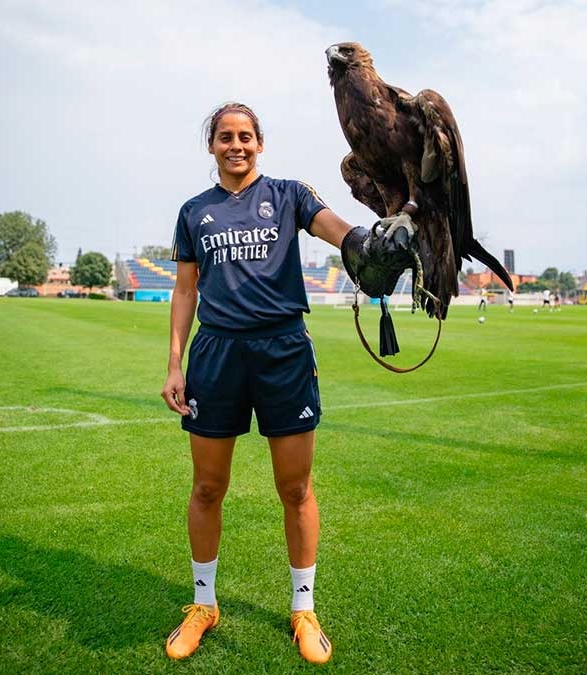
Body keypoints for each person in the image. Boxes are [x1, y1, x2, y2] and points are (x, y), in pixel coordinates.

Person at [159, 102, 407, 664]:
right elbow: (184, 291)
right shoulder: (193, 212)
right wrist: (175, 362)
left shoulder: (289, 194)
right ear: (212, 146)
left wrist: (370, 243)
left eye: (245, 136)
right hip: (216, 353)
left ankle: (303, 608)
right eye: (225, 137)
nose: (236, 145)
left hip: (283, 350)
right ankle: (203, 604)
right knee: (206, 487)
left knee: (295, 488)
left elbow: (341, 233)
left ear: (260, 143)